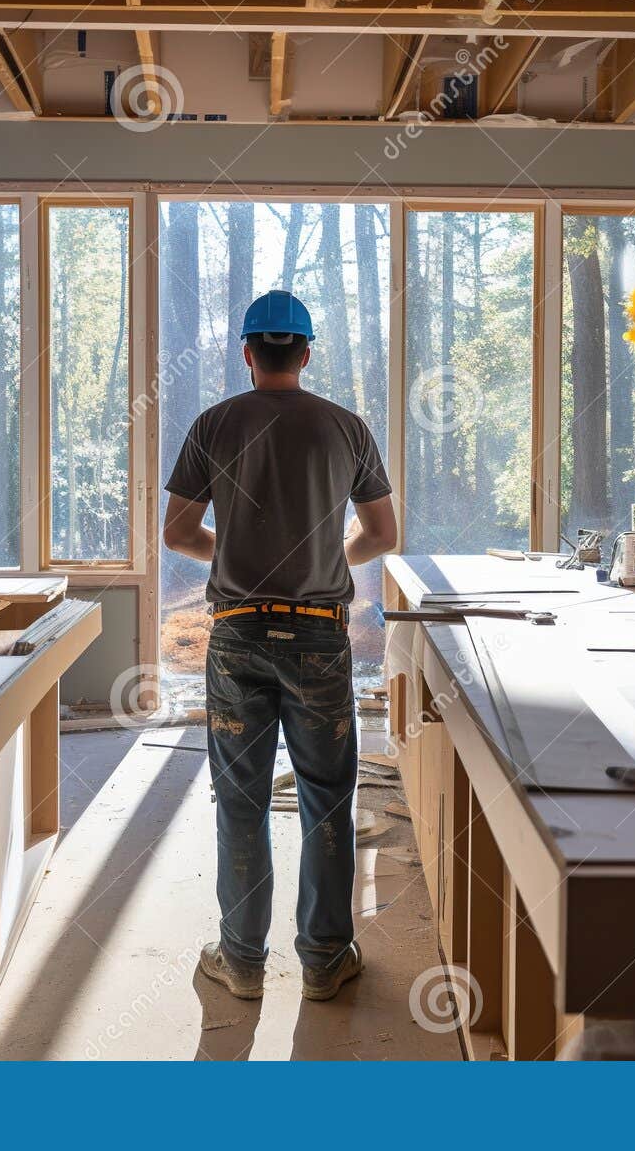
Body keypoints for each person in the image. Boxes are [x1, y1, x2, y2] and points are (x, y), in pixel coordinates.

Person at [162, 290, 398, 1003]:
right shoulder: (345, 427)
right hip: (319, 636)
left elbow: (177, 532)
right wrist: (323, 558)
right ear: (305, 352)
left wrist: (237, 558)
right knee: (328, 797)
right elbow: (383, 535)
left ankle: (241, 960)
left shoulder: (214, 424)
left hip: (238, 632)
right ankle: (326, 960)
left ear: (247, 353)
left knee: (241, 798)